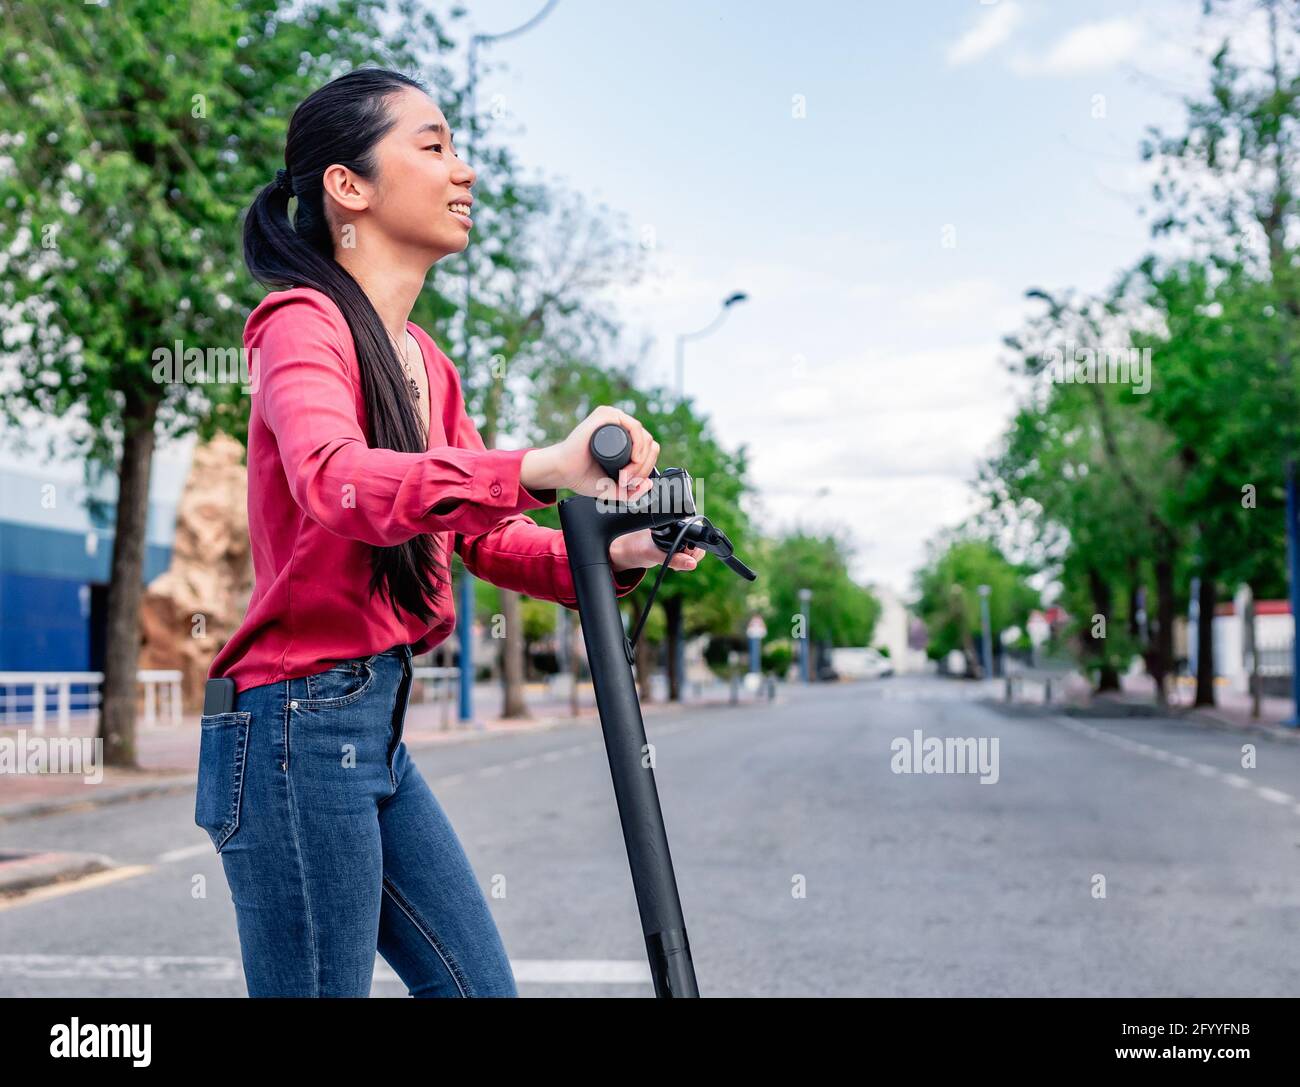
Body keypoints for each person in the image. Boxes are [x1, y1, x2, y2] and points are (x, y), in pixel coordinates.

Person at [197, 66, 703, 998]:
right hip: (293, 728)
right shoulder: (298, 325)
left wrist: (614, 551)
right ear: (348, 186)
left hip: (371, 725)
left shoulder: (427, 361)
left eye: (458, 147)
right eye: (432, 147)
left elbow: (480, 535)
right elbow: (332, 479)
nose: (463, 171)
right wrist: (537, 466)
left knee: (478, 990)